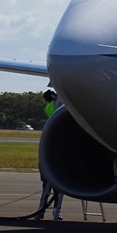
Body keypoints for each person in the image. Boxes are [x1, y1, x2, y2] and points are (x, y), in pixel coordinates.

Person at [35, 90, 64, 220]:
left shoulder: (49, 107)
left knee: (46, 187)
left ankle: (41, 210)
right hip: (56, 157)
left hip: (46, 159)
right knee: (58, 187)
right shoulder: (57, 104)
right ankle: (56, 211)